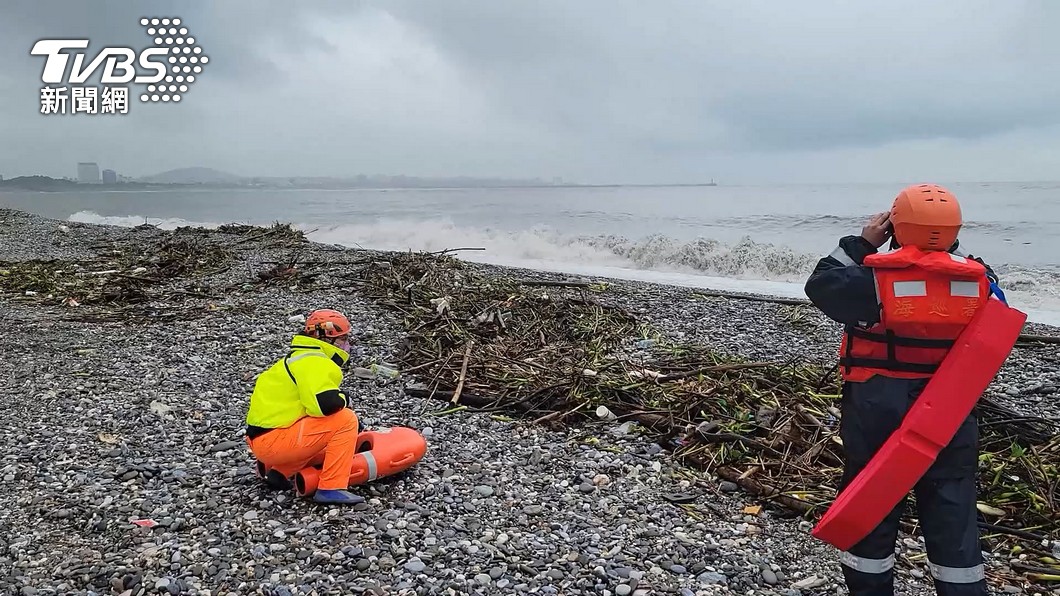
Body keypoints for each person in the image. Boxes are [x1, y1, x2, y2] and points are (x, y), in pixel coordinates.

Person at [804, 183, 1004, 596]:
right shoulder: (982, 281)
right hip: (950, 406)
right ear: (954, 229)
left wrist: (860, 242)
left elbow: (821, 284)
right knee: (952, 506)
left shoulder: (871, 280)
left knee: (872, 501)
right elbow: (996, 329)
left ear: (896, 225)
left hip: (877, 404)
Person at [244, 308, 365, 505]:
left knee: (318, 427)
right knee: (346, 419)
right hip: (275, 443)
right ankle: (332, 487)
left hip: (262, 440)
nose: (347, 345)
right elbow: (325, 404)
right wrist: (346, 399)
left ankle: (280, 473)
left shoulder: (296, 358)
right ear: (328, 340)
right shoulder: (315, 361)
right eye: (343, 339)